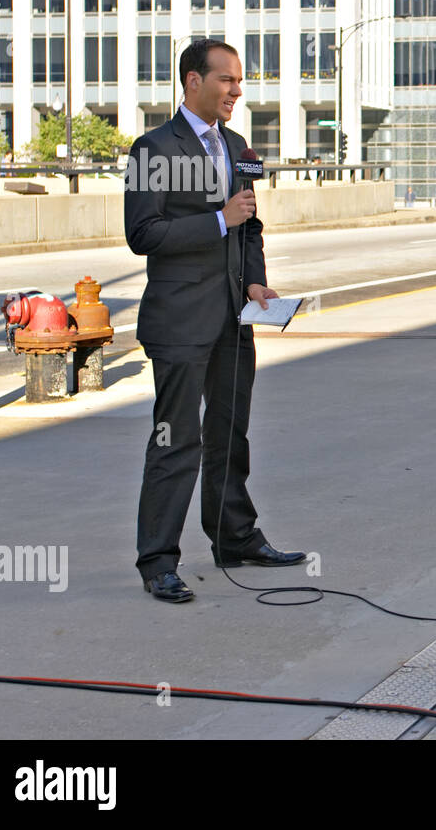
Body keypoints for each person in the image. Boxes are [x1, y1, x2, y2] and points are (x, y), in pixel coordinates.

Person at [124, 38, 304, 604]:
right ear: (192, 82)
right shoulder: (151, 150)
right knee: (176, 439)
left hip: (234, 317)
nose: (237, 89)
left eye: (239, 80)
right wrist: (217, 220)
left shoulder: (239, 146)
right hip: (179, 322)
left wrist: (254, 279)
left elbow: (250, 226)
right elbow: (142, 235)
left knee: (230, 434)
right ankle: (157, 560)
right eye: (226, 79)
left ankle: (235, 538)